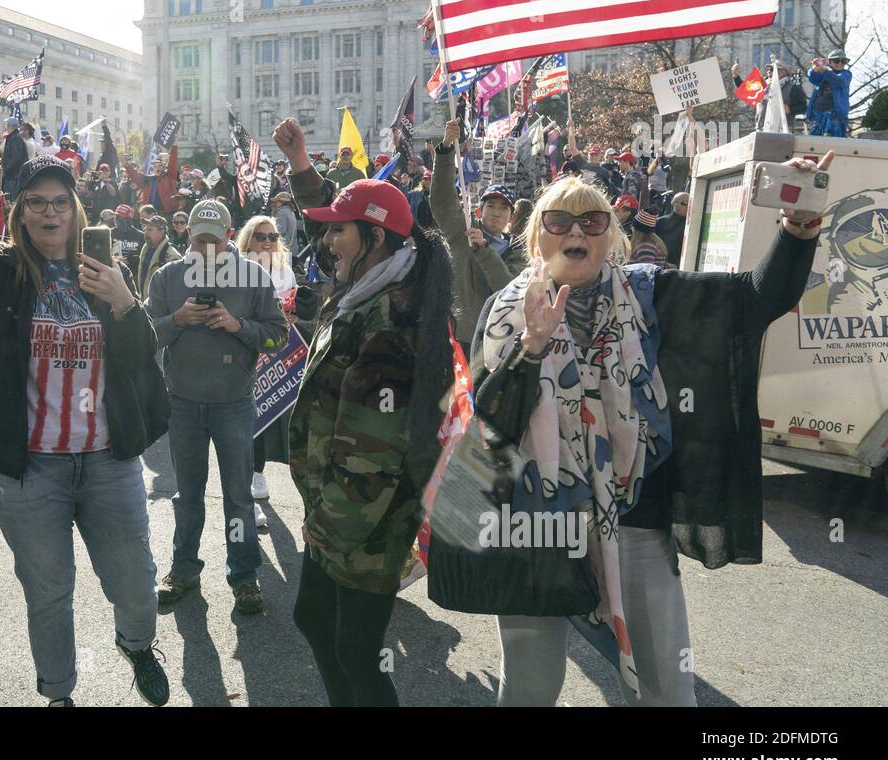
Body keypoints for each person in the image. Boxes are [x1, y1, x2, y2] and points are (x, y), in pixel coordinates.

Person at [425, 154, 831, 706]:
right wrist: (533, 347)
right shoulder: (505, 311)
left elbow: (755, 300)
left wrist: (798, 227)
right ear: (536, 237)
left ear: (609, 235)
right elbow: (491, 426)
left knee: (666, 685)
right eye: (559, 221)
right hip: (534, 520)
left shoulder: (650, 293)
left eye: (592, 221)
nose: (576, 231)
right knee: (530, 686)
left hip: (634, 517)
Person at [0, 93, 170, 707]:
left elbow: (142, 360)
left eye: (61, 202)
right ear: (20, 213)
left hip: (109, 461)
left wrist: (125, 305)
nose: (50, 212)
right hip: (29, 471)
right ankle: (58, 693)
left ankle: (137, 645)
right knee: (50, 591)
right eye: (37, 203)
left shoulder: (106, 267)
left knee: (135, 583)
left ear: (76, 210)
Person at [273, 116, 455, 706]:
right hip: (337, 513)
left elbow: (373, 458)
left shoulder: (391, 323)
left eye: (339, 235)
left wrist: (326, 524)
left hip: (363, 524)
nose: (326, 244)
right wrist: (302, 166)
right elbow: (335, 219)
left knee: (356, 651)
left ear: (374, 240)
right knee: (316, 624)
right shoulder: (373, 280)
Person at [146, 199, 288, 616]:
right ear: (188, 235)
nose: (207, 248)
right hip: (184, 402)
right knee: (186, 495)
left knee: (239, 498)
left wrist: (238, 325)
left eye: (215, 239)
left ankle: (244, 576)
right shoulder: (168, 277)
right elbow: (146, 338)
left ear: (230, 237)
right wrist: (179, 319)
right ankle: (184, 569)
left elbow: (278, 336)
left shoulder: (253, 276)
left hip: (234, 403)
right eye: (199, 238)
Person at [235, 214, 298, 531]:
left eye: (273, 236)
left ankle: (257, 474)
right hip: (243, 352)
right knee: (244, 418)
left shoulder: (285, 271)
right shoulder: (235, 268)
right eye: (261, 236)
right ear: (248, 239)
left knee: (267, 415)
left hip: (277, 355)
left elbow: (291, 310)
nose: (268, 242)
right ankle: (243, 489)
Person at [437, 162, 529, 358]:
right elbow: (443, 202)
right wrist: (445, 151)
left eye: (504, 208)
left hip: (498, 339)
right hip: (462, 335)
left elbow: (508, 289)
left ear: (511, 217)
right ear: (479, 211)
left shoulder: (517, 251)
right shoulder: (464, 232)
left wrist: (483, 251)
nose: (496, 212)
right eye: (491, 206)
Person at [807, 51, 852, 137]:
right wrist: (814, 68)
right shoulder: (824, 73)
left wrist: (825, 70)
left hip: (835, 115)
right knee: (814, 142)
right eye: (836, 61)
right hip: (818, 113)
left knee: (834, 143)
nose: (840, 63)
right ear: (829, 62)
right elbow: (813, 78)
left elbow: (840, 81)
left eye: (843, 61)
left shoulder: (846, 74)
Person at [136, 214, 181, 297]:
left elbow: (177, 285)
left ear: (161, 231)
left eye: (150, 229)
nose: (145, 232)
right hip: (145, 302)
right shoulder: (146, 249)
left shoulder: (171, 254)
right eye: (145, 229)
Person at [656, 192, 690, 266]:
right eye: (685, 203)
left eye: (691, 203)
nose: (689, 206)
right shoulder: (660, 222)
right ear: (674, 203)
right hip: (663, 266)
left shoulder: (692, 223)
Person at [111, 204, 145, 276]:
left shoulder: (140, 236)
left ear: (128, 220)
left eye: (119, 217)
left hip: (134, 275)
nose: (117, 219)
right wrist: (114, 259)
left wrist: (130, 260)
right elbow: (103, 253)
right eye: (116, 216)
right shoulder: (109, 233)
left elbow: (144, 257)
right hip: (114, 273)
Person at [271, 191, 301, 257]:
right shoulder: (290, 212)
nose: (274, 203)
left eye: (277, 201)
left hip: (283, 250)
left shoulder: (281, 213)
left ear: (282, 202)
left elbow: (280, 231)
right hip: (292, 249)